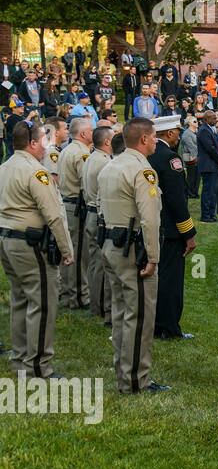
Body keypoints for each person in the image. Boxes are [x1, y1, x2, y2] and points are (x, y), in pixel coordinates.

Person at [0, 122, 75, 377]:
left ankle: (20, 358)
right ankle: (37, 367)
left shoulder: (5, 167)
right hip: (29, 243)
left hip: (7, 240)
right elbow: (53, 215)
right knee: (42, 303)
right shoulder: (36, 172)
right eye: (43, 140)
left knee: (20, 299)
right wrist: (66, 249)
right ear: (32, 143)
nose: (46, 145)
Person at [99, 117, 166, 394]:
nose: (155, 141)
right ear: (143, 139)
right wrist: (153, 257)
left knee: (121, 314)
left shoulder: (110, 165)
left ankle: (123, 372)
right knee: (138, 317)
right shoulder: (142, 171)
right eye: (153, 137)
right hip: (133, 250)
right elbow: (149, 219)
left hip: (111, 245)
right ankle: (136, 380)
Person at [148, 114, 197, 340]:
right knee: (171, 280)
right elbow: (177, 201)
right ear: (169, 134)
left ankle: (156, 324)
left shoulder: (146, 156)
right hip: (169, 228)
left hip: (149, 225)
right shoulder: (170, 159)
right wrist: (188, 233)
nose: (179, 134)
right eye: (177, 131)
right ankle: (168, 327)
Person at [57, 115, 93, 310]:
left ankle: (66, 290)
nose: (94, 133)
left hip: (66, 204)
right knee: (79, 253)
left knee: (69, 252)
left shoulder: (67, 149)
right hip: (76, 206)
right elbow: (85, 182)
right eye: (91, 130)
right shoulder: (81, 153)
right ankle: (78, 296)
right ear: (84, 133)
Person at [83, 126, 114, 323]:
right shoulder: (103, 162)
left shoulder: (91, 158)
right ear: (107, 142)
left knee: (95, 261)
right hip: (98, 214)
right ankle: (101, 305)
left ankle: (96, 303)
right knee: (102, 263)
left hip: (90, 212)